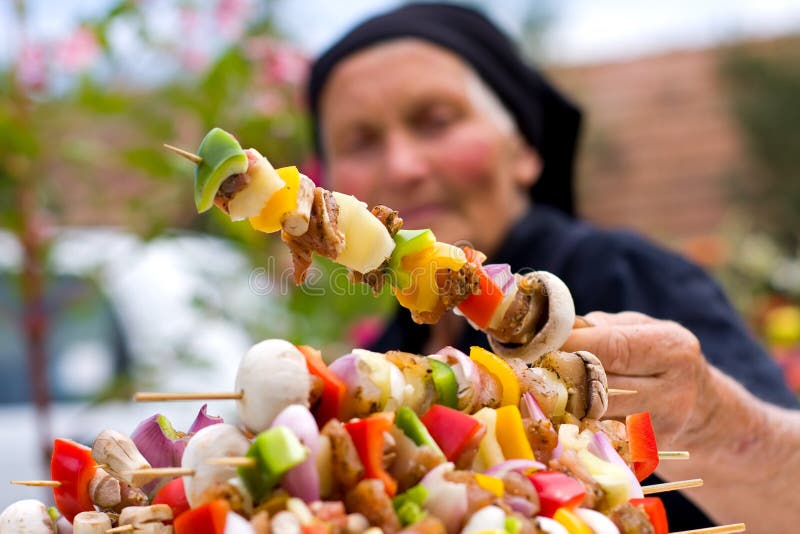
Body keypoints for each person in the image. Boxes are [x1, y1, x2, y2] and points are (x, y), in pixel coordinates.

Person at [306, 3, 800, 531]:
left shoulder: (624, 274)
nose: (402, 166)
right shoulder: (376, 363)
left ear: (523, 147)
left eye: (436, 121)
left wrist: (712, 421)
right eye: (361, 141)